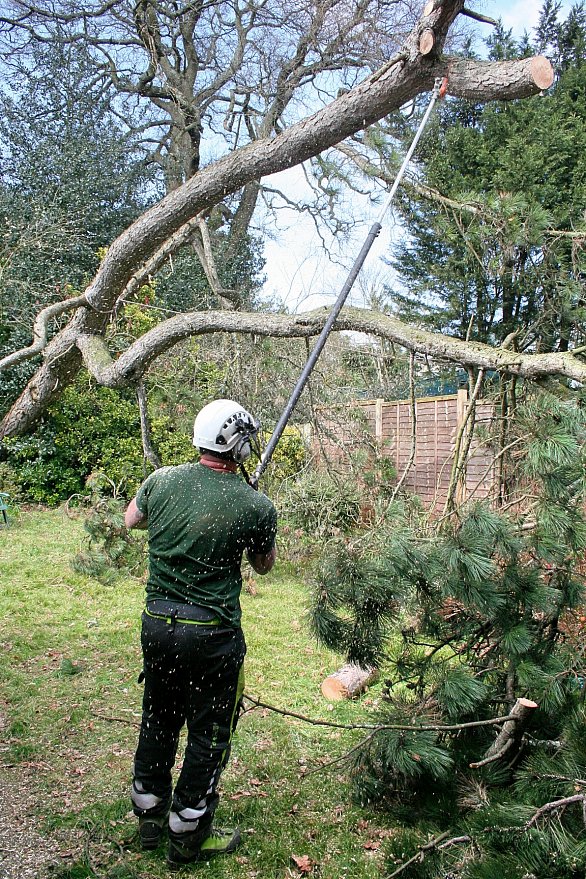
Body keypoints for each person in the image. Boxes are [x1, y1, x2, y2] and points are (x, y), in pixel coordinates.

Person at [125, 399, 277, 869]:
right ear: (237, 444)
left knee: (160, 715)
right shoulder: (255, 504)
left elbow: (132, 520)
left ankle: (148, 818)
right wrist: (253, 507)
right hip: (211, 636)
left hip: (158, 625)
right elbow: (264, 566)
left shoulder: (162, 480)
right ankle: (187, 834)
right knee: (210, 733)